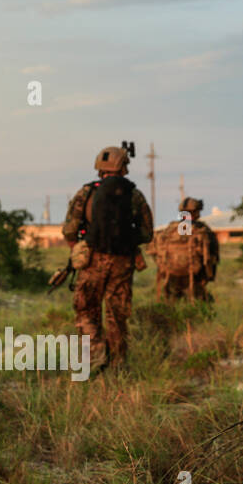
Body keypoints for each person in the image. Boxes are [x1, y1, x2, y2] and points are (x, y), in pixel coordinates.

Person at [60, 145, 153, 371]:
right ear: (123, 167)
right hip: (122, 263)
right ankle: (119, 365)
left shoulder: (86, 193)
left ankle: (95, 358)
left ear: (99, 167)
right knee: (117, 314)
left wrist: (80, 248)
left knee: (86, 310)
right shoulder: (135, 195)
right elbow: (147, 233)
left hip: (92, 260)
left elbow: (69, 230)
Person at [153, 196, 219, 302]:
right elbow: (213, 255)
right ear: (196, 212)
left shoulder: (170, 229)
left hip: (171, 275)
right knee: (200, 306)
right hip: (195, 277)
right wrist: (208, 276)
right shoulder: (202, 230)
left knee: (171, 307)